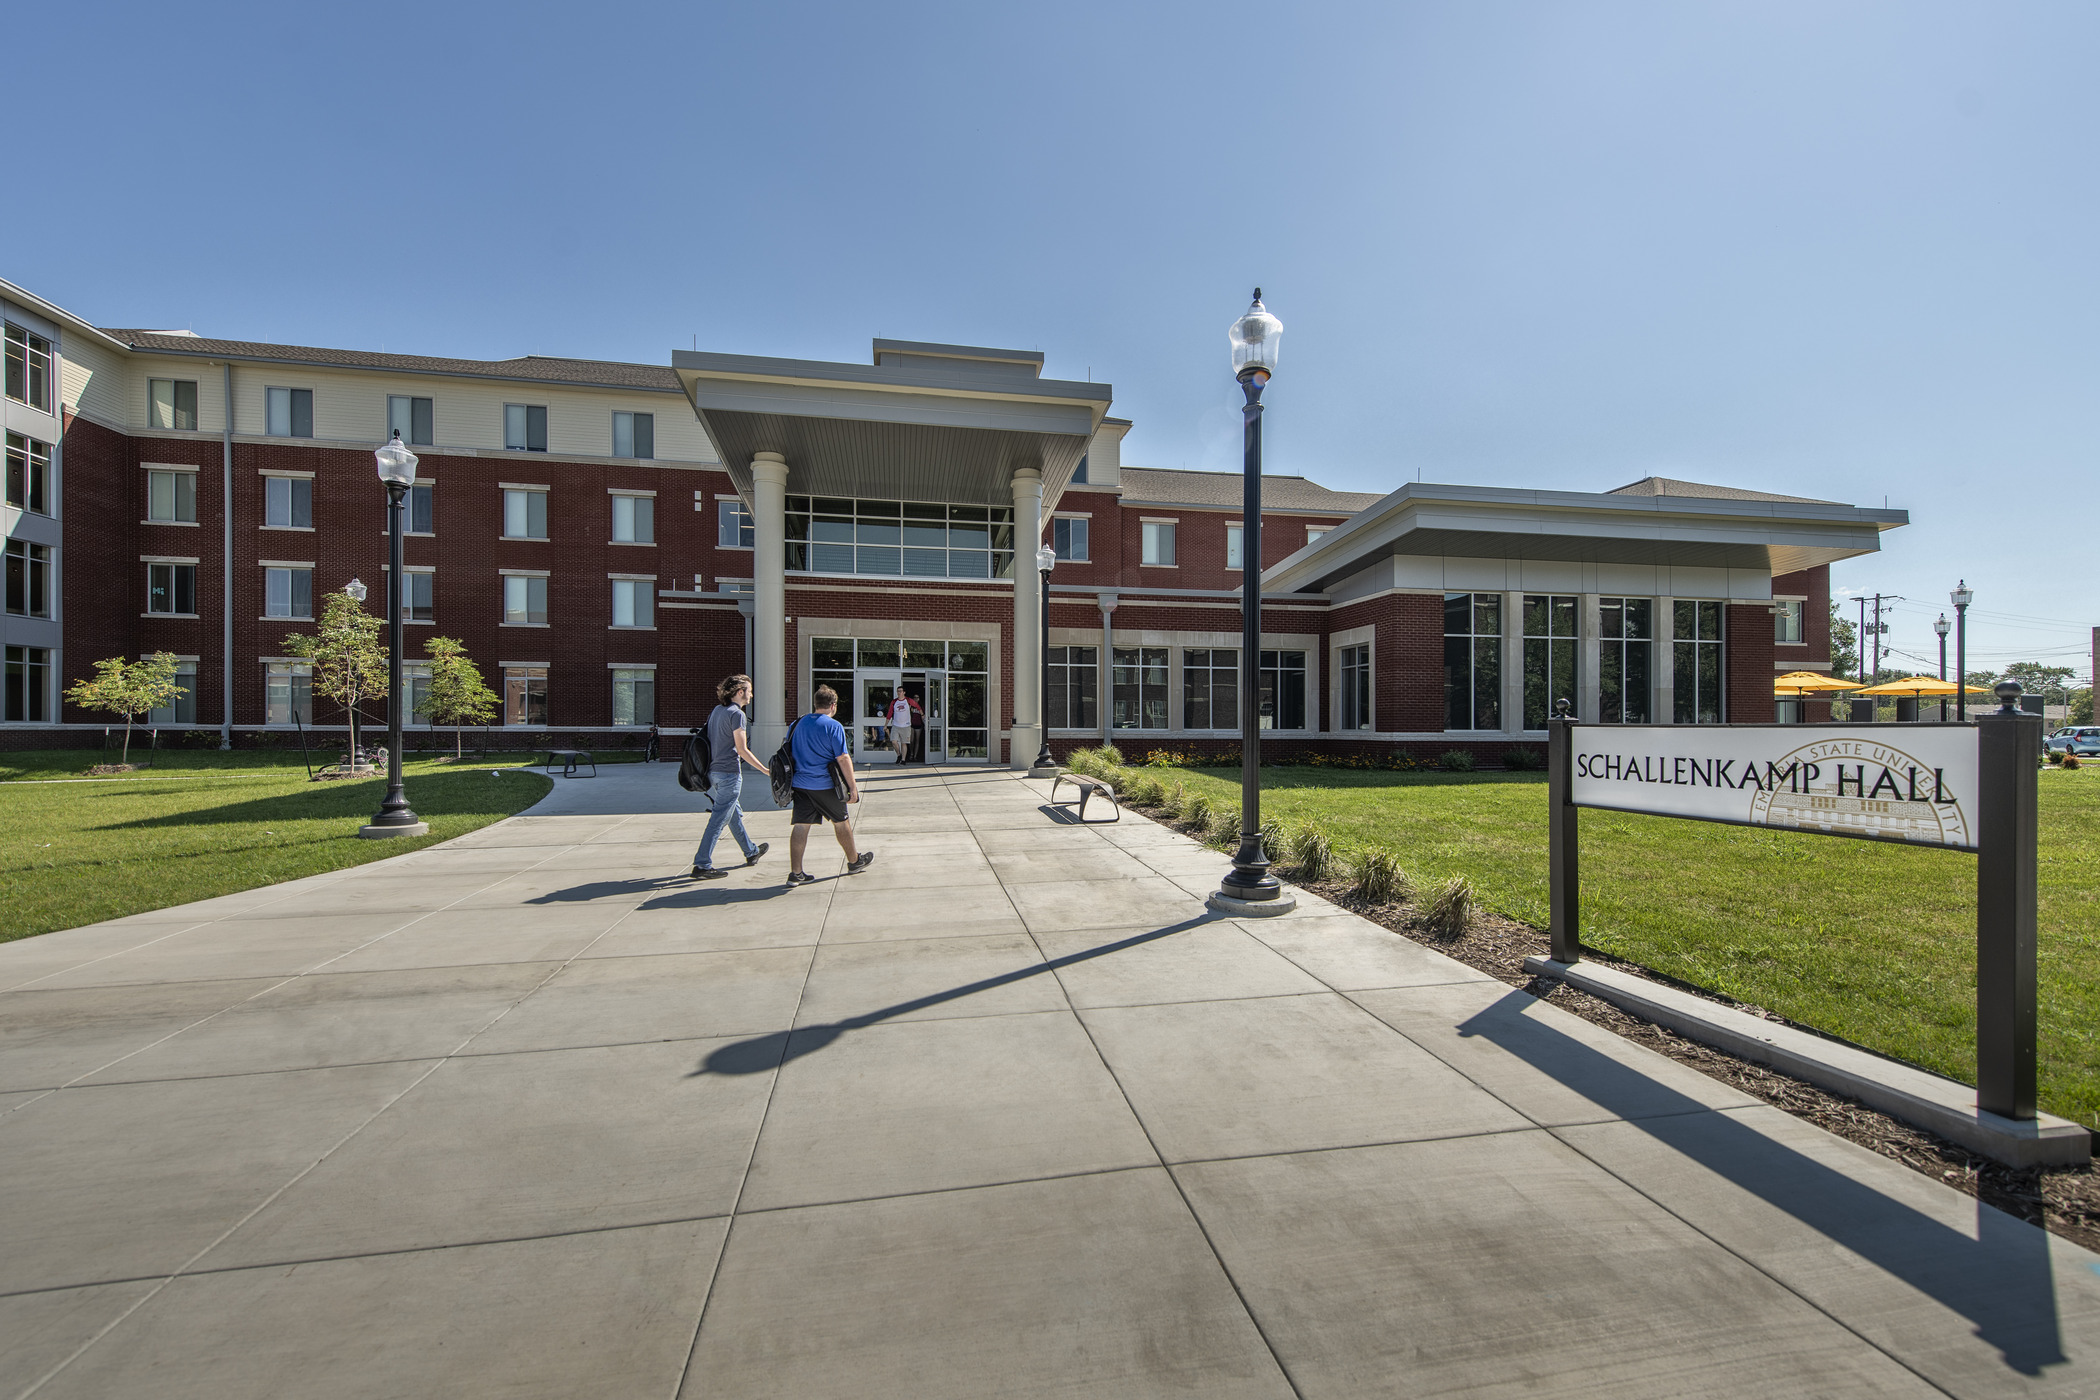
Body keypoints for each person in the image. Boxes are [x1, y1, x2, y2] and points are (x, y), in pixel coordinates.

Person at [786, 684, 874, 886]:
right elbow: (843, 758)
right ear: (833, 705)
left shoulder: (796, 724)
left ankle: (796, 873)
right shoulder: (833, 726)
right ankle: (854, 862)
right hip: (826, 785)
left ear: (816, 703)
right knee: (841, 822)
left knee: (800, 825)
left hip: (800, 784)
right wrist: (852, 787)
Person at [691, 675, 770, 879]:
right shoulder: (737, 715)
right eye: (749, 691)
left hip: (714, 773)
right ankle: (702, 865)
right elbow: (742, 750)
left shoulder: (717, 711)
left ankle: (751, 852)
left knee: (732, 814)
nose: (751, 695)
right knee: (718, 819)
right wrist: (764, 769)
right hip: (729, 774)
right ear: (740, 692)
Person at [888, 690, 913, 763]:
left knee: (904, 742)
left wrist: (922, 714)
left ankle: (903, 759)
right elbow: (890, 713)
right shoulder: (894, 701)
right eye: (897, 691)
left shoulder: (908, 701)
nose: (899, 693)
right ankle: (899, 754)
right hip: (896, 725)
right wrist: (886, 724)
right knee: (893, 741)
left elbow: (917, 706)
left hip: (906, 725)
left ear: (904, 692)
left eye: (900, 691)